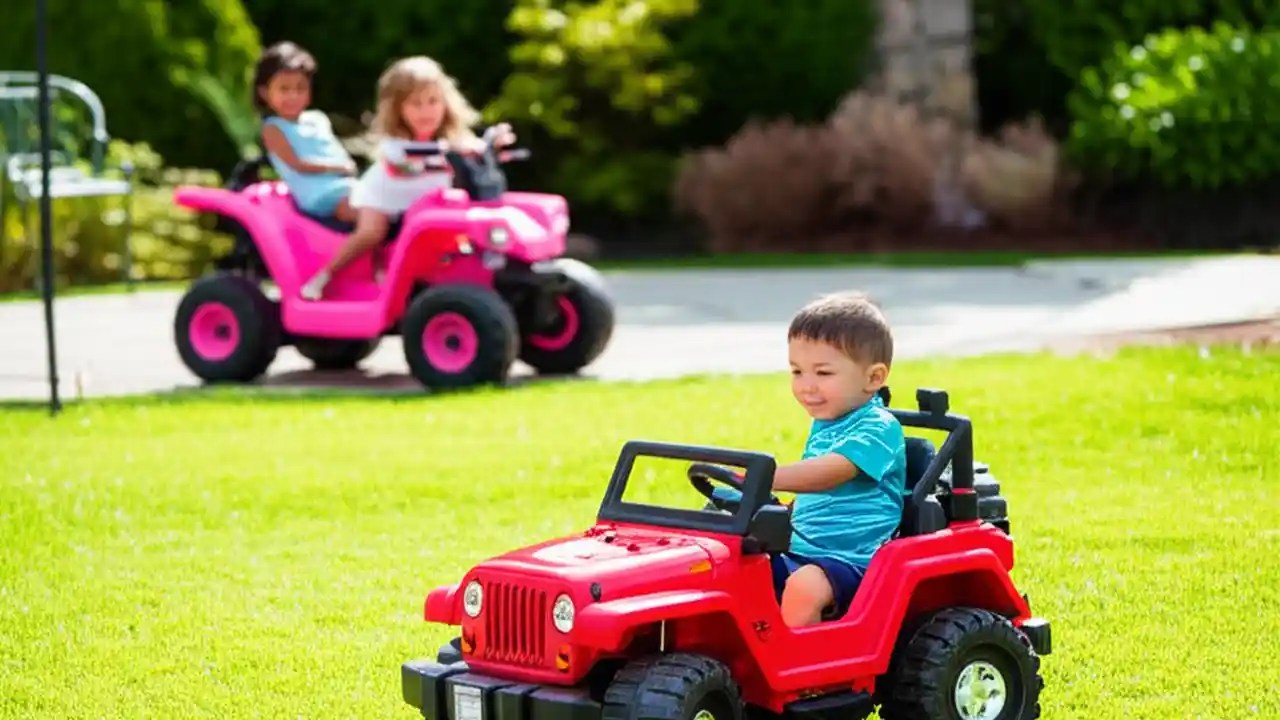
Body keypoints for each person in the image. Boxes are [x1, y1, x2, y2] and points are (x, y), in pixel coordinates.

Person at [719, 292, 907, 627]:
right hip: (800, 547)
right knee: (729, 563)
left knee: (803, 589)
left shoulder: (880, 428)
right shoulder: (826, 424)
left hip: (853, 559)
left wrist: (766, 477)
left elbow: (831, 472)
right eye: (797, 371)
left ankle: (794, 662)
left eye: (823, 373)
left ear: (873, 378)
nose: (807, 386)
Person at [299, 55, 516, 301]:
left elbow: (473, 147)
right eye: (415, 104)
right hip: (382, 196)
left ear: (445, 103)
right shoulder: (397, 145)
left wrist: (492, 144)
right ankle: (324, 276)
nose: (426, 111)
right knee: (372, 232)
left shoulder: (451, 138)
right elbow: (402, 167)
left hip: (421, 203)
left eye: (433, 101)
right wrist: (448, 154)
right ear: (398, 109)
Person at [253, 41, 359, 223]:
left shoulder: (318, 119)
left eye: (300, 88)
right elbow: (297, 164)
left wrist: (348, 166)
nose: (293, 96)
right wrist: (338, 168)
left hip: (346, 184)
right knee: (358, 210)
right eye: (284, 89)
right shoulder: (273, 128)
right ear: (264, 93)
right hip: (320, 193)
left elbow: (334, 150)